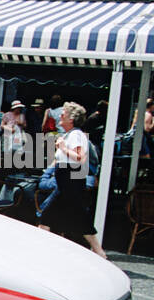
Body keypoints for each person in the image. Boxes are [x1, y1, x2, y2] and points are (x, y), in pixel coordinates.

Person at [39, 102, 106, 258]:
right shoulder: (71, 135)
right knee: (74, 216)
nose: (60, 115)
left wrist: (62, 148)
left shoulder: (76, 135)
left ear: (72, 118)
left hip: (70, 181)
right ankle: (99, 251)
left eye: (64, 113)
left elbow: (80, 158)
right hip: (65, 181)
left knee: (49, 216)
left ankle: (43, 252)